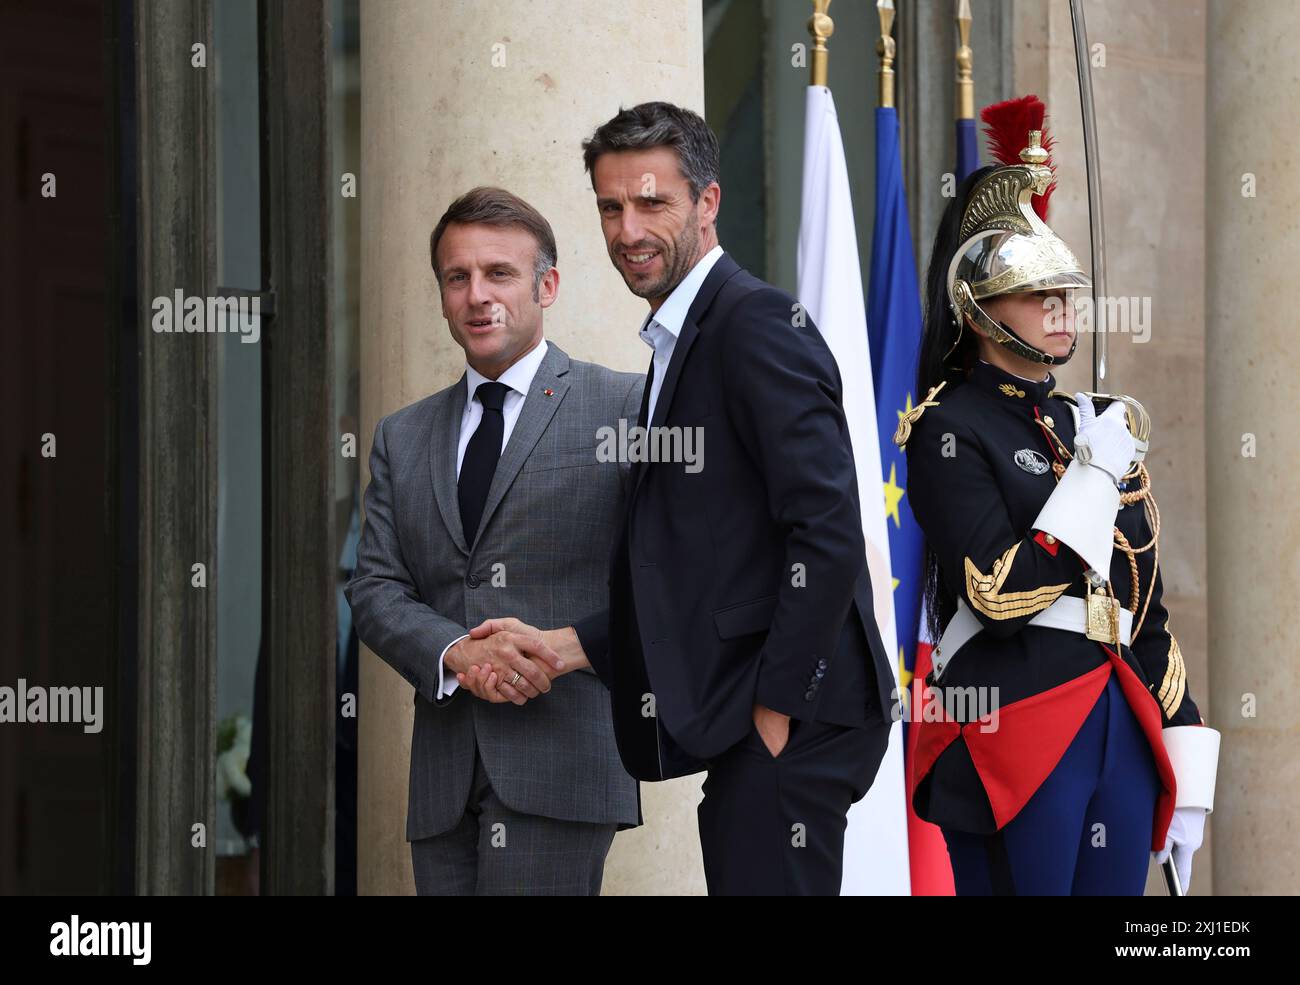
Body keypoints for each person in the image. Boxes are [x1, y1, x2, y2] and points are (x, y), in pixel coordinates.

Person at [470, 102, 895, 895]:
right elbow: (706, 562)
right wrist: (568, 646)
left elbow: (827, 529)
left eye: (651, 201)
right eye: (610, 207)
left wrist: (774, 713)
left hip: (786, 721)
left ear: (707, 203)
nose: (627, 228)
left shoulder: (756, 324)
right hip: (760, 725)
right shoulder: (682, 335)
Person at [898, 97, 1220, 895]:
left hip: (1121, 717)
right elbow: (999, 588)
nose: (1061, 310)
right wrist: (1090, 480)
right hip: (1017, 717)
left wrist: (1186, 750)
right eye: (1038, 294)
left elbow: (1145, 604)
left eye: (1066, 292)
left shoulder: (1095, 423)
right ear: (978, 308)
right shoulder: (947, 426)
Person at [345, 186, 641, 895]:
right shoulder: (402, 435)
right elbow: (374, 585)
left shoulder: (626, 406)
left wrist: (568, 646)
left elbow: (665, 575)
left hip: (561, 762)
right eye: (458, 277)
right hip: (444, 778)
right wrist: (456, 651)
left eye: (499, 273)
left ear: (549, 285)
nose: (478, 295)